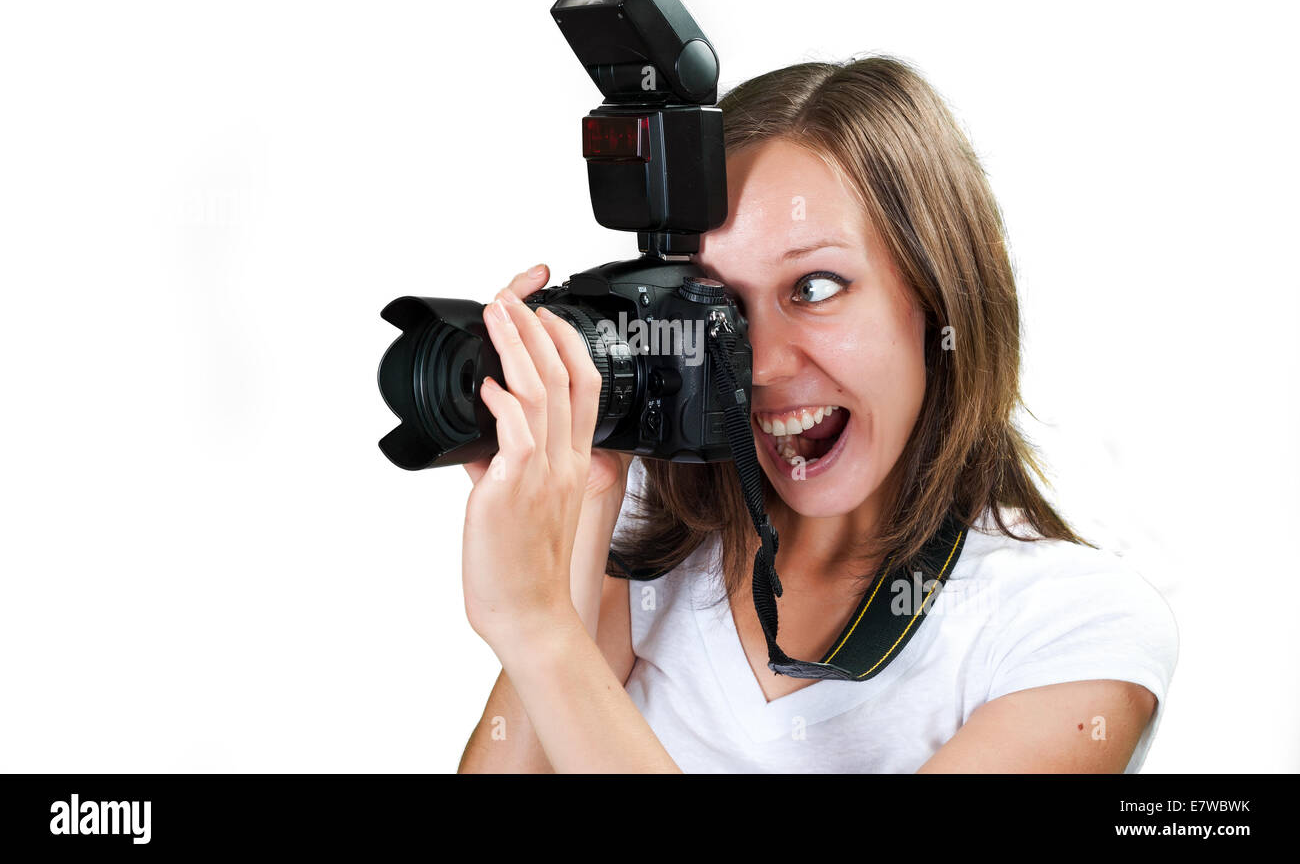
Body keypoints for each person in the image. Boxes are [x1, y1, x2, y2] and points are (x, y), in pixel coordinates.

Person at [455, 56, 1178, 774]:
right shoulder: (653, 547)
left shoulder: (1073, 625)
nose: (759, 364)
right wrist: (578, 505)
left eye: (814, 286)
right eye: (720, 307)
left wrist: (541, 631)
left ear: (937, 297)